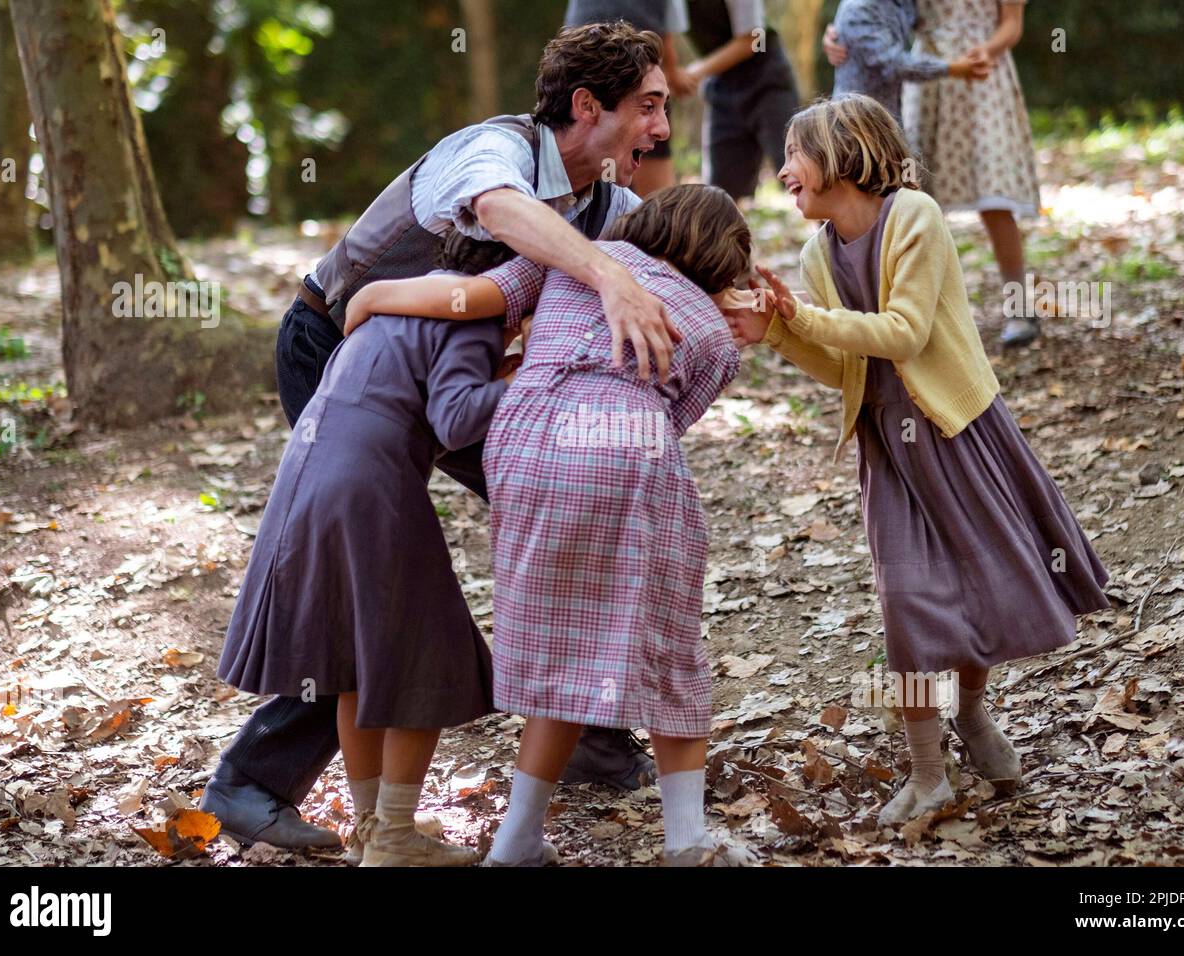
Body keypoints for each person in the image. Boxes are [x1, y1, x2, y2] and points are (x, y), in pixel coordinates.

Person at [201, 22, 674, 850]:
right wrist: (607, 280)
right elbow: (502, 213)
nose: (662, 128)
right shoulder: (490, 152)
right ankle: (252, 781)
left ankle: (585, 729)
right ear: (588, 106)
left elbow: (671, 245)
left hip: (451, 373)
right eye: (648, 106)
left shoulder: (605, 197)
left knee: (567, 504)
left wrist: (744, 285)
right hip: (338, 355)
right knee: (364, 579)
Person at [343, 185, 757, 865]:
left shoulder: (570, 258)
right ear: (720, 263)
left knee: (562, 637)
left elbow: (471, 297)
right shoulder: (713, 336)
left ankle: (518, 838)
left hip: (524, 441)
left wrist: (368, 297)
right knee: (668, 644)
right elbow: (671, 423)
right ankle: (687, 840)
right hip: (626, 443)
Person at [726, 95, 1109, 825]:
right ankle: (929, 775)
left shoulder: (915, 219)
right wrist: (774, 328)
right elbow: (845, 360)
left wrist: (797, 314)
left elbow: (901, 333)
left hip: (955, 430)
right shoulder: (817, 253)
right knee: (908, 606)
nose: (782, 172)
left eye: (793, 155)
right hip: (888, 445)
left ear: (841, 153)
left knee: (982, 589)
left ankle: (971, 713)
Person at [217, 231, 519, 865]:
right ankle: (396, 837)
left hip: (309, 467)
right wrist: (535, 379)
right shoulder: (478, 314)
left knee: (355, 656)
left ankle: (371, 827)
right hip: (367, 482)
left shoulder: (405, 302)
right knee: (425, 654)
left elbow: (416, 394)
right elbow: (459, 418)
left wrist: (499, 372)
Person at [825, 1, 1043, 348]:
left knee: (994, 194)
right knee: (915, 198)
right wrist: (839, 31)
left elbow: (1012, 24)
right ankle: (915, 312)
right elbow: (883, 11)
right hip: (924, 79)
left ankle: (1019, 307)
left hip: (980, 78)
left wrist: (980, 53)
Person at [564, 1, 697, 196]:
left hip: (579, 73)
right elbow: (665, 37)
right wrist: (673, 73)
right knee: (655, 200)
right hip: (629, 76)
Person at [683, 0, 800, 201]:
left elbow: (753, 39)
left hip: (768, 79)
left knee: (803, 170)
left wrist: (695, 73)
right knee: (719, 195)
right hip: (722, 84)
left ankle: (835, 231)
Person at [831, 0, 990, 123]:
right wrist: (952, 68)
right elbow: (895, 65)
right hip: (854, 117)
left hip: (889, 113)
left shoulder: (902, 3)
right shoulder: (860, 9)